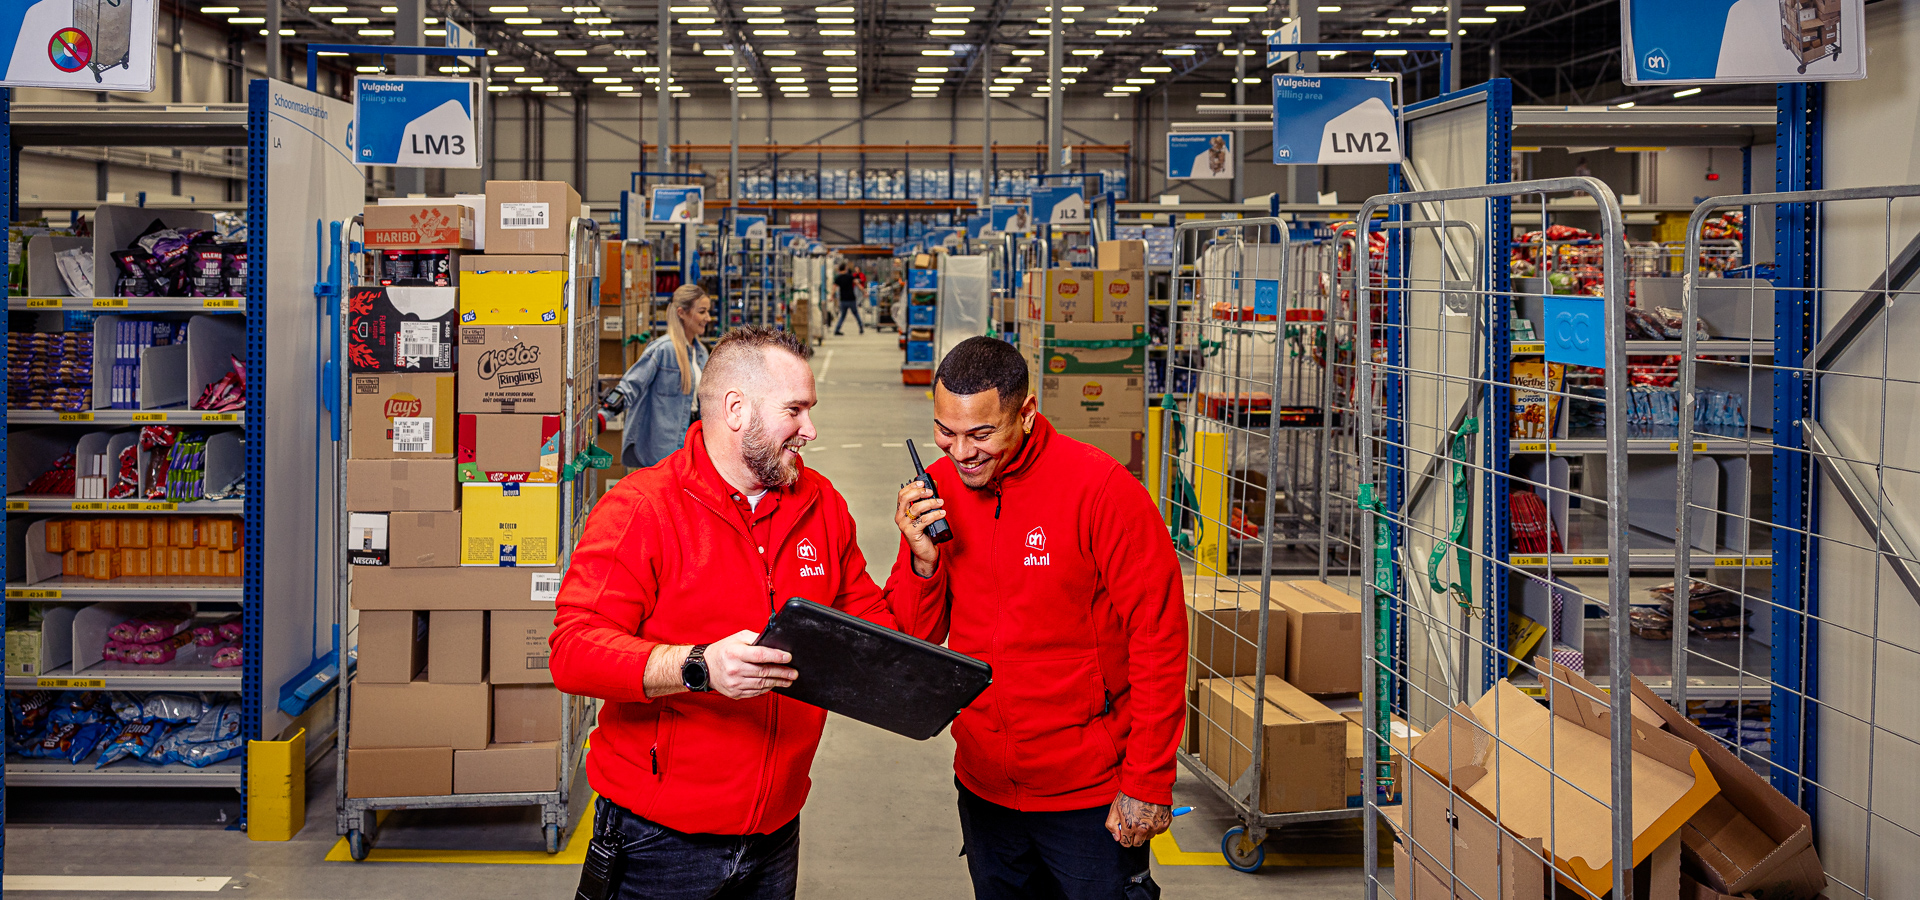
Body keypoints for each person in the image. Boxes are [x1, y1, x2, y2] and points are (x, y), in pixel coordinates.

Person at [552, 327, 897, 900]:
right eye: (796, 410)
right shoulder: (643, 509)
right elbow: (572, 651)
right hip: (658, 841)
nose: (810, 431)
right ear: (736, 409)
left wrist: (924, 566)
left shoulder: (822, 505)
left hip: (776, 832)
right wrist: (698, 667)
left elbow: (878, 639)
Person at [886, 336, 1187, 900]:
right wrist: (923, 567)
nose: (961, 452)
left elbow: (1159, 636)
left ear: (1025, 413)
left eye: (981, 434)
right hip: (985, 786)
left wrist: (1147, 781)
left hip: (1088, 794)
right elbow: (913, 647)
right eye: (945, 432)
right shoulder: (939, 490)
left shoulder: (1099, 490)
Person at [602, 283, 711, 469]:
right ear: (681, 313)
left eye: (708, 312)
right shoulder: (663, 350)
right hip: (662, 452)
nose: (708, 318)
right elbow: (630, 385)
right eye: (702, 312)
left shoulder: (701, 353)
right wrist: (604, 415)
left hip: (691, 449)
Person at [832, 263, 864, 335]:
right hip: (851, 299)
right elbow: (858, 285)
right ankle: (861, 327)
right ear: (845, 269)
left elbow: (834, 288)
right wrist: (864, 292)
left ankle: (837, 329)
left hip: (843, 300)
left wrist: (831, 297)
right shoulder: (850, 277)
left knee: (842, 315)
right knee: (856, 314)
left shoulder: (838, 278)